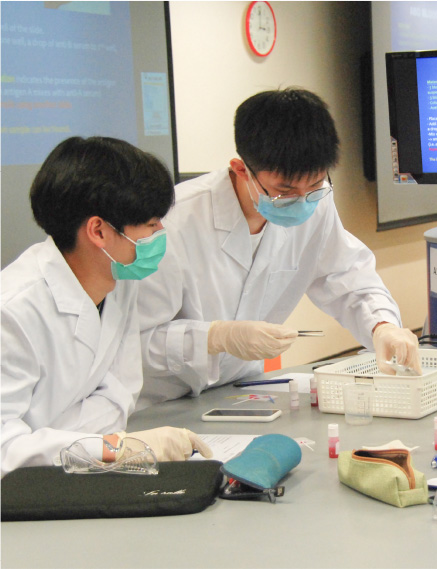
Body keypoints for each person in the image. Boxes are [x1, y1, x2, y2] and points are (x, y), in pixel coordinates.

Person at [136, 88, 421, 408]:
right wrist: (214, 338)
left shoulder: (317, 204)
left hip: (239, 391)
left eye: (314, 186)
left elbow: (346, 277)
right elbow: (134, 342)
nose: (301, 201)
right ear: (241, 169)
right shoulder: (172, 223)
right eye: (284, 191)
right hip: (159, 401)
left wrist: (382, 326)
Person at [1, 137, 212, 477]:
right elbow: (5, 448)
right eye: (150, 223)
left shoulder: (118, 282)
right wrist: (111, 448)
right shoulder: (12, 311)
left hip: (75, 475)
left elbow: (121, 394)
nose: (160, 232)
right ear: (98, 230)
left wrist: (69, 440)